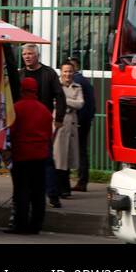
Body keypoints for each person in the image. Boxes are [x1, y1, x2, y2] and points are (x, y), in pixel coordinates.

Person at [7, 76, 53, 235]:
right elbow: (49, 133)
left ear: (22, 90)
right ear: (36, 90)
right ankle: (36, 225)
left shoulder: (16, 108)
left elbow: (11, 131)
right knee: (38, 191)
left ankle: (20, 225)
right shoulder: (44, 110)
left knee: (21, 191)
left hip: (21, 155)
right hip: (40, 155)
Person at [20, 43, 66, 201]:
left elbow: (60, 96)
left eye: (30, 53)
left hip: (42, 122)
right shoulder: (20, 74)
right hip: (24, 123)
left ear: (37, 55)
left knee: (46, 158)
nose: (27, 56)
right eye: (24, 54)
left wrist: (59, 118)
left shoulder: (48, 73)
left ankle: (52, 194)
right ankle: (27, 194)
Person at [51, 62, 85, 207]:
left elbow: (80, 103)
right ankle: (58, 189)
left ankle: (65, 189)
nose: (68, 74)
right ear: (61, 72)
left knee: (67, 158)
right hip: (58, 123)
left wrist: (63, 100)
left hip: (71, 125)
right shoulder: (56, 86)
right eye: (65, 71)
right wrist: (69, 102)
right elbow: (53, 102)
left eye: (70, 71)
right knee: (58, 158)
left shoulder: (77, 87)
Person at [66, 56, 96, 191]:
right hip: (85, 120)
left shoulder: (76, 81)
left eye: (69, 69)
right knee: (82, 149)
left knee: (78, 150)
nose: (67, 72)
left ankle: (81, 181)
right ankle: (82, 180)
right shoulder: (84, 80)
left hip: (78, 121)